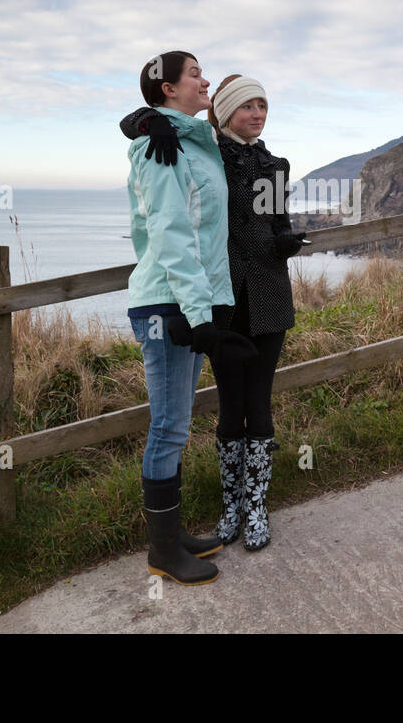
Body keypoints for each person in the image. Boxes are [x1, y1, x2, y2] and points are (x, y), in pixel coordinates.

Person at [122, 74, 304, 551]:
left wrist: (284, 242)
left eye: (263, 104)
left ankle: (258, 507)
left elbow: (274, 223)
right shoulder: (205, 152)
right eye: (247, 106)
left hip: (267, 295)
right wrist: (144, 120)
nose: (258, 113)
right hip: (220, 299)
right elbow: (159, 129)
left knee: (259, 403)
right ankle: (230, 506)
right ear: (223, 112)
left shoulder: (274, 165)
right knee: (229, 406)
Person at [124, 51, 256, 586]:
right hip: (167, 304)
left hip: (186, 300)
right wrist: (200, 318)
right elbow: (172, 235)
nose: (205, 79)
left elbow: (202, 228)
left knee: (176, 426)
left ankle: (172, 538)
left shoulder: (185, 138)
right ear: (169, 90)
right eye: (195, 73)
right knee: (170, 425)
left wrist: (142, 116)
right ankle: (161, 552)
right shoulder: (160, 147)